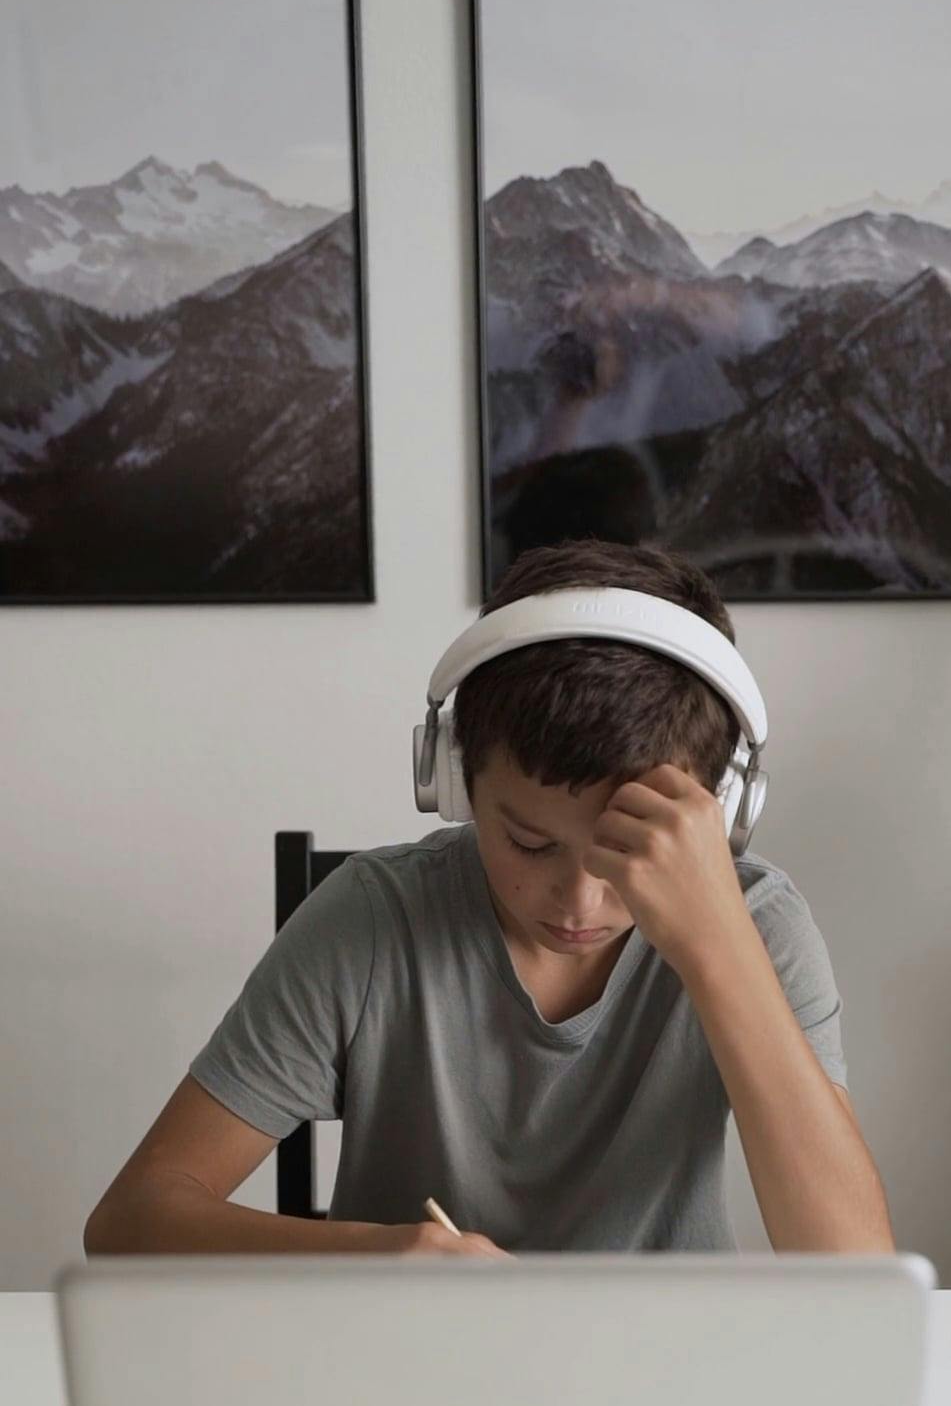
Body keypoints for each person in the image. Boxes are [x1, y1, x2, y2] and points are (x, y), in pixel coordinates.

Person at [84, 538, 895, 1261]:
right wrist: (369, 1262)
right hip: (412, 1367)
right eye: (530, 843)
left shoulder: (758, 927)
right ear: (453, 781)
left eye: (629, 852)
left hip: (665, 1374)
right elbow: (130, 1224)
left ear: (722, 808)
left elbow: (852, 1265)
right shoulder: (373, 921)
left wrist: (716, 946)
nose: (577, 900)